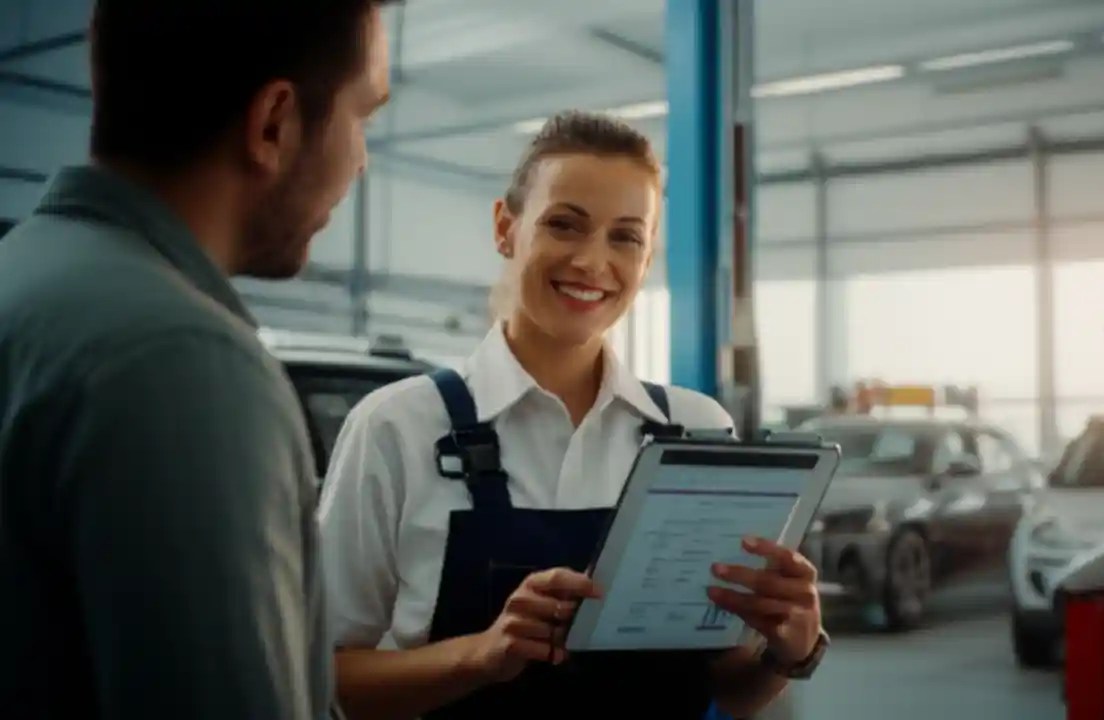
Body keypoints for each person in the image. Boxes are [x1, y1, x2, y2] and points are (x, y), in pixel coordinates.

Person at [318, 111, 827, 720]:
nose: (592, 262)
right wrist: (479, 656)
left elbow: (728, 689)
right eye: (565, 224)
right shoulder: (396, 428)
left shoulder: (699, 430)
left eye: (625, 236)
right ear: (506, 228)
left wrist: (786, 649)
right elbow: (323, 677)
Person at [0, 1, 390, 717]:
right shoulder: (183, 360)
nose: (362, 159)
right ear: (274, 123)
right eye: (362, 116)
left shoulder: (26, 276)